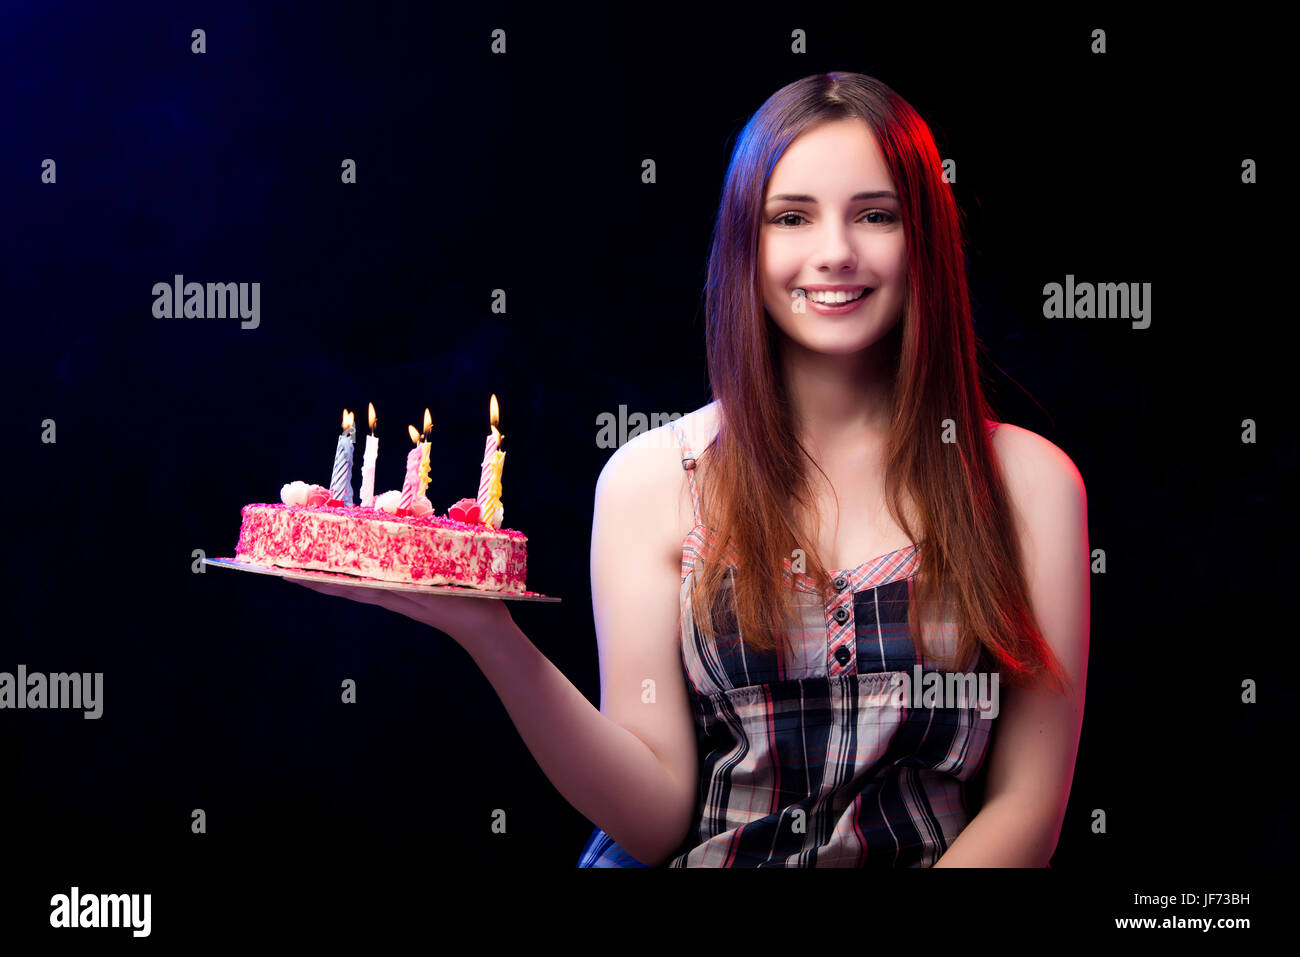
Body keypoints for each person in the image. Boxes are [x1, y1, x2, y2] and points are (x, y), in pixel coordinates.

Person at [291, 71, 1089, 867]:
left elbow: (1029, 804)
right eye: (792, 218)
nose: (836, 253)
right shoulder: (650, 480)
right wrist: (487, 631)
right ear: (748, 241)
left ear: (925, 238)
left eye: (875, 215)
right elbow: (654, 817)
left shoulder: (1029, 484)